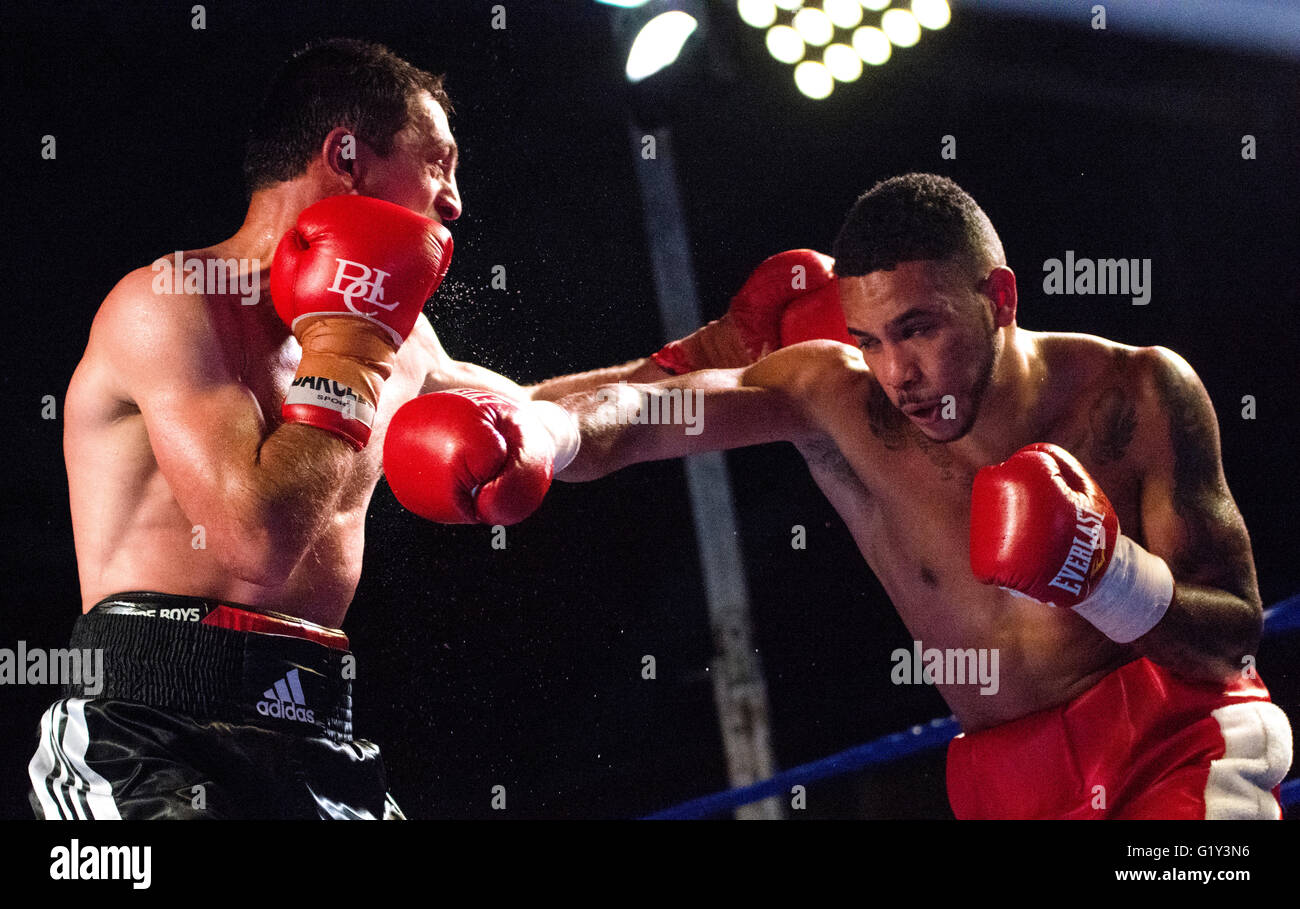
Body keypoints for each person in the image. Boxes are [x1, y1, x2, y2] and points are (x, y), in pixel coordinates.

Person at [400, 174, 1293, 819]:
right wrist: (539, 437)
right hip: (1004, 782)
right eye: (869, 338)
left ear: (1001, 299)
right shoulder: (838, 397)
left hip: (1175, 743)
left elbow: (1231, 637)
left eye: (919, 329)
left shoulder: (1132, 393)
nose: (898, 373)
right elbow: (641, 413)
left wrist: (1105, 573)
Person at [29, 38, 683, 820]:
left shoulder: (404, 342)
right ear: (345, 154)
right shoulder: (171, 303)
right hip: (143, 739)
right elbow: (258, 542)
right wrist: (353, 342)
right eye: (438, 161)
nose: (453, 200)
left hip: (316, 742)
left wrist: (705, 364)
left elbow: (540, 414)